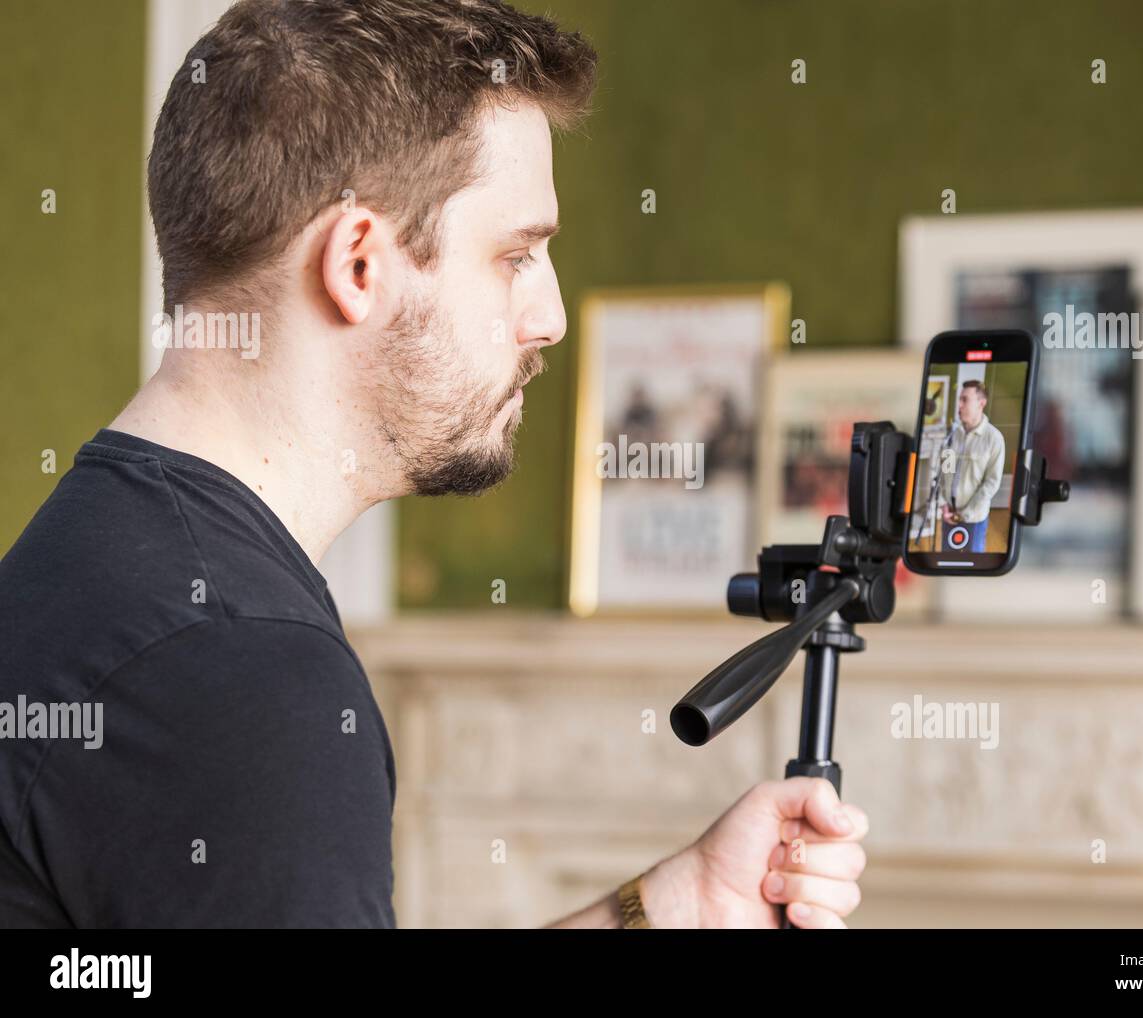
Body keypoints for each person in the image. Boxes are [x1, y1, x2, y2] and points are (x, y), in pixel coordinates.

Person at [0, 0, 866, 929]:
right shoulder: (242, 674)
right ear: (359, 266)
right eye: (517, 255)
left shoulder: (100, 562)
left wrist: (668, 910)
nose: (550, 317)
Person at [939, 379, 1006, 553]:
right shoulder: (952, 435)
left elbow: (992, 483)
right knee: (947, 566)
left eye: (965, 400)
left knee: (971, 564)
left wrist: (963, 514)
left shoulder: (994, 438)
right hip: (948, 517)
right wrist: (945, 506)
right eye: (959, 400)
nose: (959, 405)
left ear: (981, 404)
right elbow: (945, 473)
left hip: (973, 520)